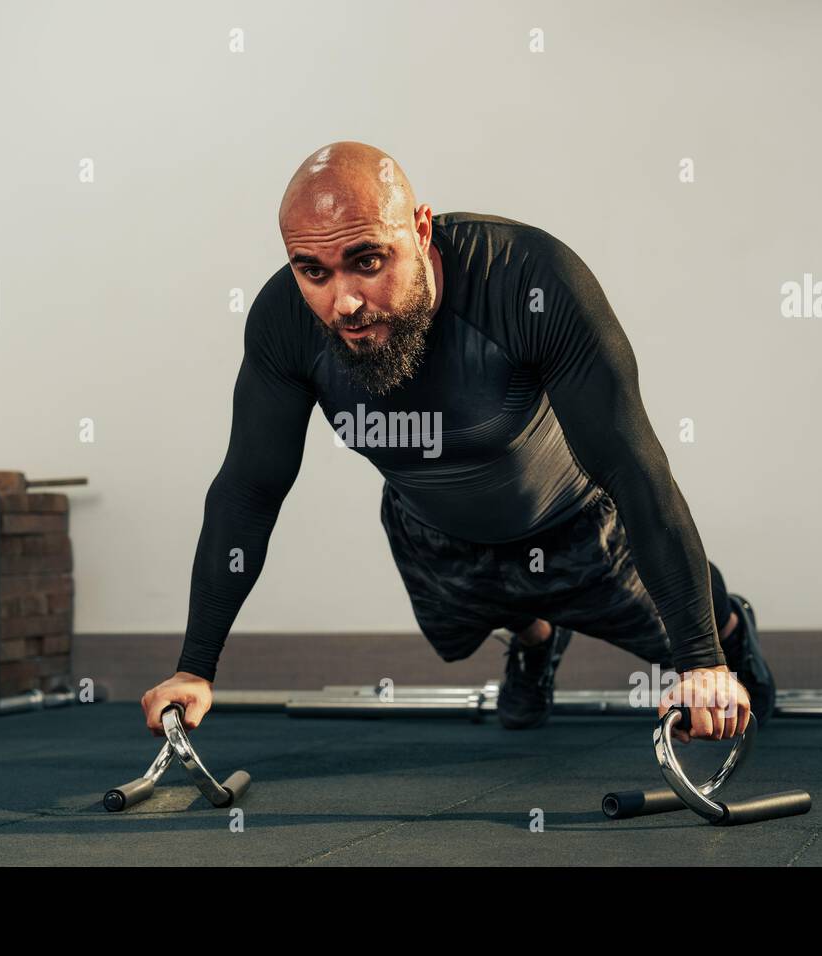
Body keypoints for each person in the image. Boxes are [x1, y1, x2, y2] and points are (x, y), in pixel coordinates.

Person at [142, 141, 775, 744]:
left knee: (715, 657)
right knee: (480, 614)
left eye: (368, 261)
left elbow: (634, 467)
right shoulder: (284, 320)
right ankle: (535, 637)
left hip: (578, 528)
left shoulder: (529, 279)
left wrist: (701, 662)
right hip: (434, 537)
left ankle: (728, 628)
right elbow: (251, 490)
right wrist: (196, 666)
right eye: (314, 272)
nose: (346, 302)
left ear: (420, 230)